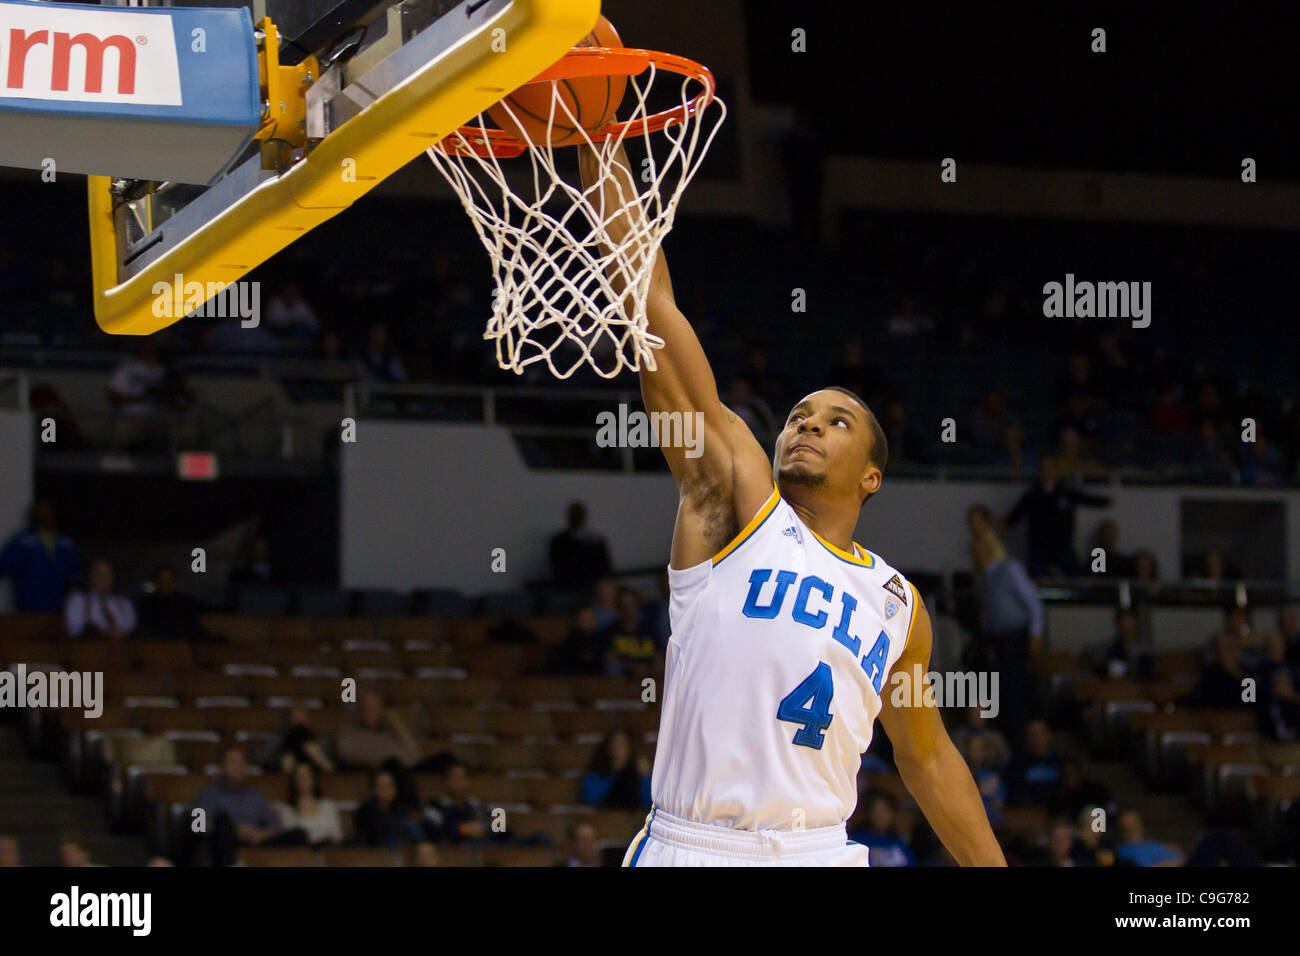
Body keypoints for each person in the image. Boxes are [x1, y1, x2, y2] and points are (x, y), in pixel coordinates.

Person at [579, 145, 1003, 867]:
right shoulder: (736, 504)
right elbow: (654, 317)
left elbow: (927, 760)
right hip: (697, 845)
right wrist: (598, 146)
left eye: (836, 421)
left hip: (820, 851)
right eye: (800, 414)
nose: (806, 423)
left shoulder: (898, 604)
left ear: (872, 477)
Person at [970, 530, 1042, 745]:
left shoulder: (1009, 569)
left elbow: (1034, 604)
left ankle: (1022, 741)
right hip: (999, 642)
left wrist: (1035, 635)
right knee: (1001, 695)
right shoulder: (984, 580)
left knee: (1016, 693)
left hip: (1017, 639)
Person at [1003, 457, 1111, 577]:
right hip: (1039, 548)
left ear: (1055, 471)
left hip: (1063, 547)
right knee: (1036, 579)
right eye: (1044, 468)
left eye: (1050, 468)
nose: (1047, 471)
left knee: (1078, 577)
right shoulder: (1032, 495)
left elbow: (1085, 498)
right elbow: (1016, 515)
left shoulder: (1066, 492)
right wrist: (1004, 524)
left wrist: (1105, 502)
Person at [193, 748, 282, 866]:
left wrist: (259, 834)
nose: (237, 767)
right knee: (223, 820)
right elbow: (196, 825)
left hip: (253, 844)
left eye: (241, 763)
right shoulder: (207, 793)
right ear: (222, 767)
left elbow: (276, 825)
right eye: (232, 762)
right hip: (219, 846)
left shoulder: (256, 795)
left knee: (299, 834)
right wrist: (234, 830)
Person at [0, 496, 81, 613]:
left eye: (47, 510)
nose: (44, 513)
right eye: (40, 510)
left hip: (59, 612)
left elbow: (75, 578)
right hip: (27, 612)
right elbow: (3, 567)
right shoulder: (21, 542)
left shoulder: (65, 543)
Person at [334, 691, 420, 772]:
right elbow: (344, 752)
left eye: (374, 708)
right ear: (359, 711)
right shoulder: (348, 736)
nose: (370, 713)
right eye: (366, 708)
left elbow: (413, 757)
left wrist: (396, 724)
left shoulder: (389, 735)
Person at [548, 501, 613, 596]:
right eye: (574, 515)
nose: (577, 517)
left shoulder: (595, 540)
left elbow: (604, 565)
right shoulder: (558, 541)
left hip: (592, 587)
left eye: (579, 514)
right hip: (569, 588)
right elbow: (556, 566)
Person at [274, 761, 344, 847]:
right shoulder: (285, 810)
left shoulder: (328, 806)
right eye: (299, 777)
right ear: (294, 780)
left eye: (307, 776)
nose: (304, 781)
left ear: (314, 779)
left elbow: (337, 838)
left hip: (327, 851)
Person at [64, 558, 136, 639]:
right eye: (98, 573)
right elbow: (74, 630)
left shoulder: (124, 603)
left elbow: (131, 630)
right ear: (90, 576)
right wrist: (104, 634)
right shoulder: (77, 600)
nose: (103, 578)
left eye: (107, 574)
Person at [355, 769, 424, 848]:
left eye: (390, 785)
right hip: (378, 848)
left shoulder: (400, 808)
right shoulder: (364, 812)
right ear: (374, 789)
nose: (387, 790)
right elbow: (367, 838)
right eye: (382, 786)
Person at [581, 732, 651, 809]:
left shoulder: (638, 771)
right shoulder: (597, 770)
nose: (619, 749)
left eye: (623, 744)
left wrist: (645, 777)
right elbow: (590, 799)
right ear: (608, 747)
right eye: (615, 744)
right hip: (604, 817)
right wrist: (613, 772)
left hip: (633, 818)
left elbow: (649, 803)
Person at [135, 564, 206, 640]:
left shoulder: (186, 602)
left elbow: (195, 629)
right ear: (155, 581)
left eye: (169, 579)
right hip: (154, 646)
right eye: (162, 579)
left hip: (182, 645)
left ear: (175, 581)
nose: (166, 583)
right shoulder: (145, 604)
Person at [423, 760, 487, 844]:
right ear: (445, 781)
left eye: (462, 777)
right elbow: (432, 833)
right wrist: (462, 829)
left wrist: (482, 827)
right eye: (455, 777)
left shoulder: (477, 805)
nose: (459, 782)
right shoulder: (434, 807)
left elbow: (497, 827)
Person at [848, 791, 915, 867]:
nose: (880, 815)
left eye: (884, 810)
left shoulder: (899, 842)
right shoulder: (857, 840)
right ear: (869, 813)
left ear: (892, 813)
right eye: (876, 811)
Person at [1114, 809, 1182, 867]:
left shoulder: (1153, 844)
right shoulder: (1122, 852)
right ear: (1122, 830)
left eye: (1135, 823)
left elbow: (1178, 857)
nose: (1133, 828)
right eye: (1128, 825)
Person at [1100, 607, 1153, 680]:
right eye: (1123, 624)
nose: (1127, 629)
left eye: (1130, 624)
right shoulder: (1111, 649)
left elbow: (1146, 673)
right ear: (1118, 626)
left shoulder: (1144, 650)